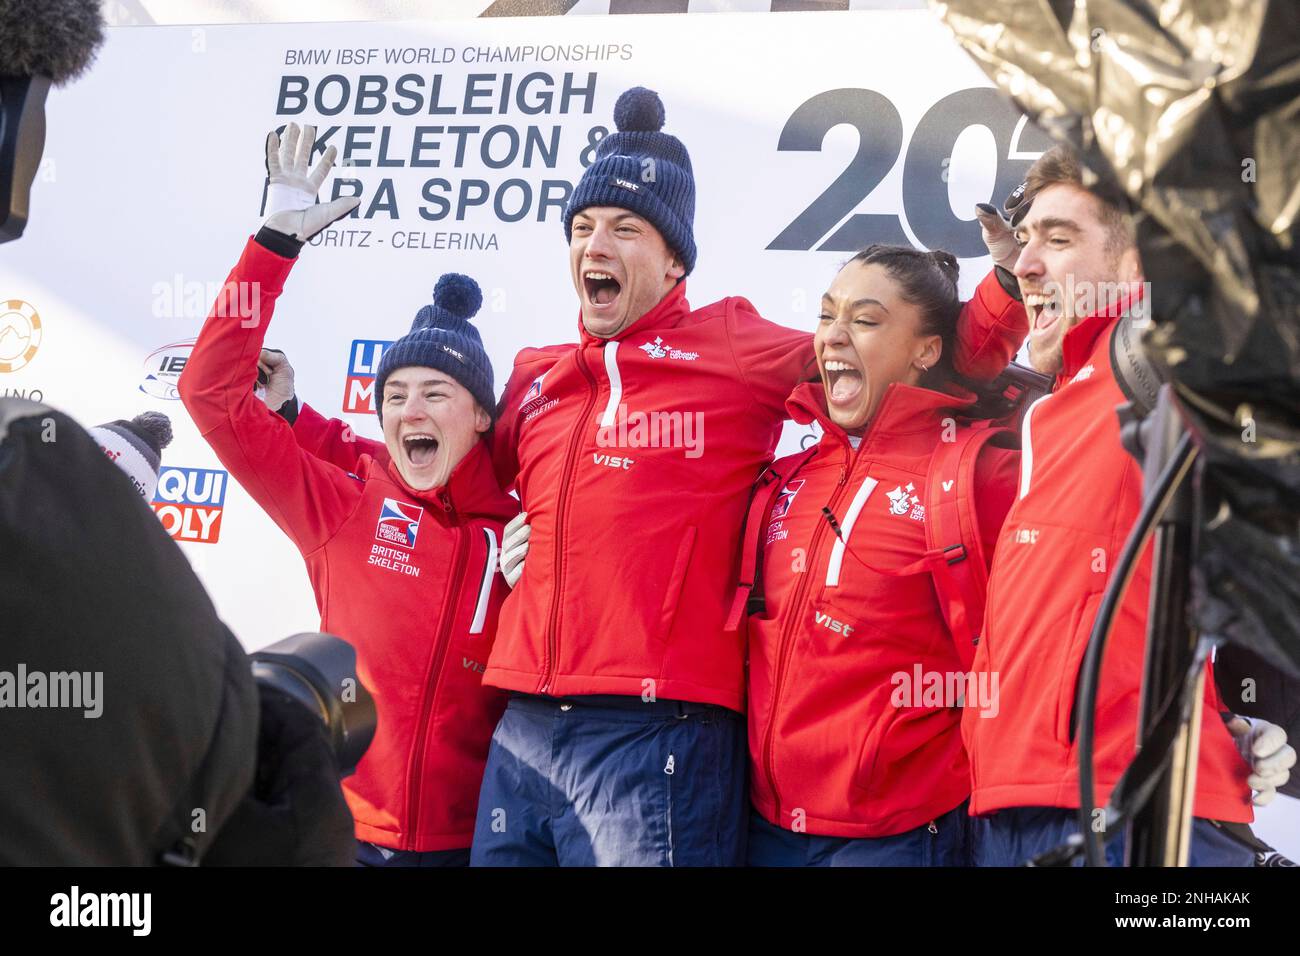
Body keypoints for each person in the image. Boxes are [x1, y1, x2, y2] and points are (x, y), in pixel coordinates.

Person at [274, 87, 1028, 866]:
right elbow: (431, 474)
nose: (595, 245)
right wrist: (303, 424)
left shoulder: (733, 344)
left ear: (673, 258)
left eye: (624, 229)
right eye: (581, 228)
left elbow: (900, 361)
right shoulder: (537, 374)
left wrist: (1005, 291)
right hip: (524, 729)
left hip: (654, 730)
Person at [178, 123, 519, 866]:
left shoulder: (522, 530)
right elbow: (210, 393)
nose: (412, 412)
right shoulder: (346, 505)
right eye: (394, 395)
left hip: (484, 848)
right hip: (347, 840)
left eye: (436, 393)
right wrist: (274, 242)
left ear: (483, 417)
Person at [965, 144, 1295, 866]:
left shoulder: (1146, 360)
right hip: (1011, 807)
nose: (1025, 265)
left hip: (1133, 815)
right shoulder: (1052, 409)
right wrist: (1221, 711)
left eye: (1060, 239)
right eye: (1026, 240)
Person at [743, 245, 1019, 865]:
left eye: (865, 321)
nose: (834, 336)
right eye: (825, 315)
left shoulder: (979, 474)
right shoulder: (791, 475)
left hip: (897, 833)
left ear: (926, 350)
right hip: (762, 822)